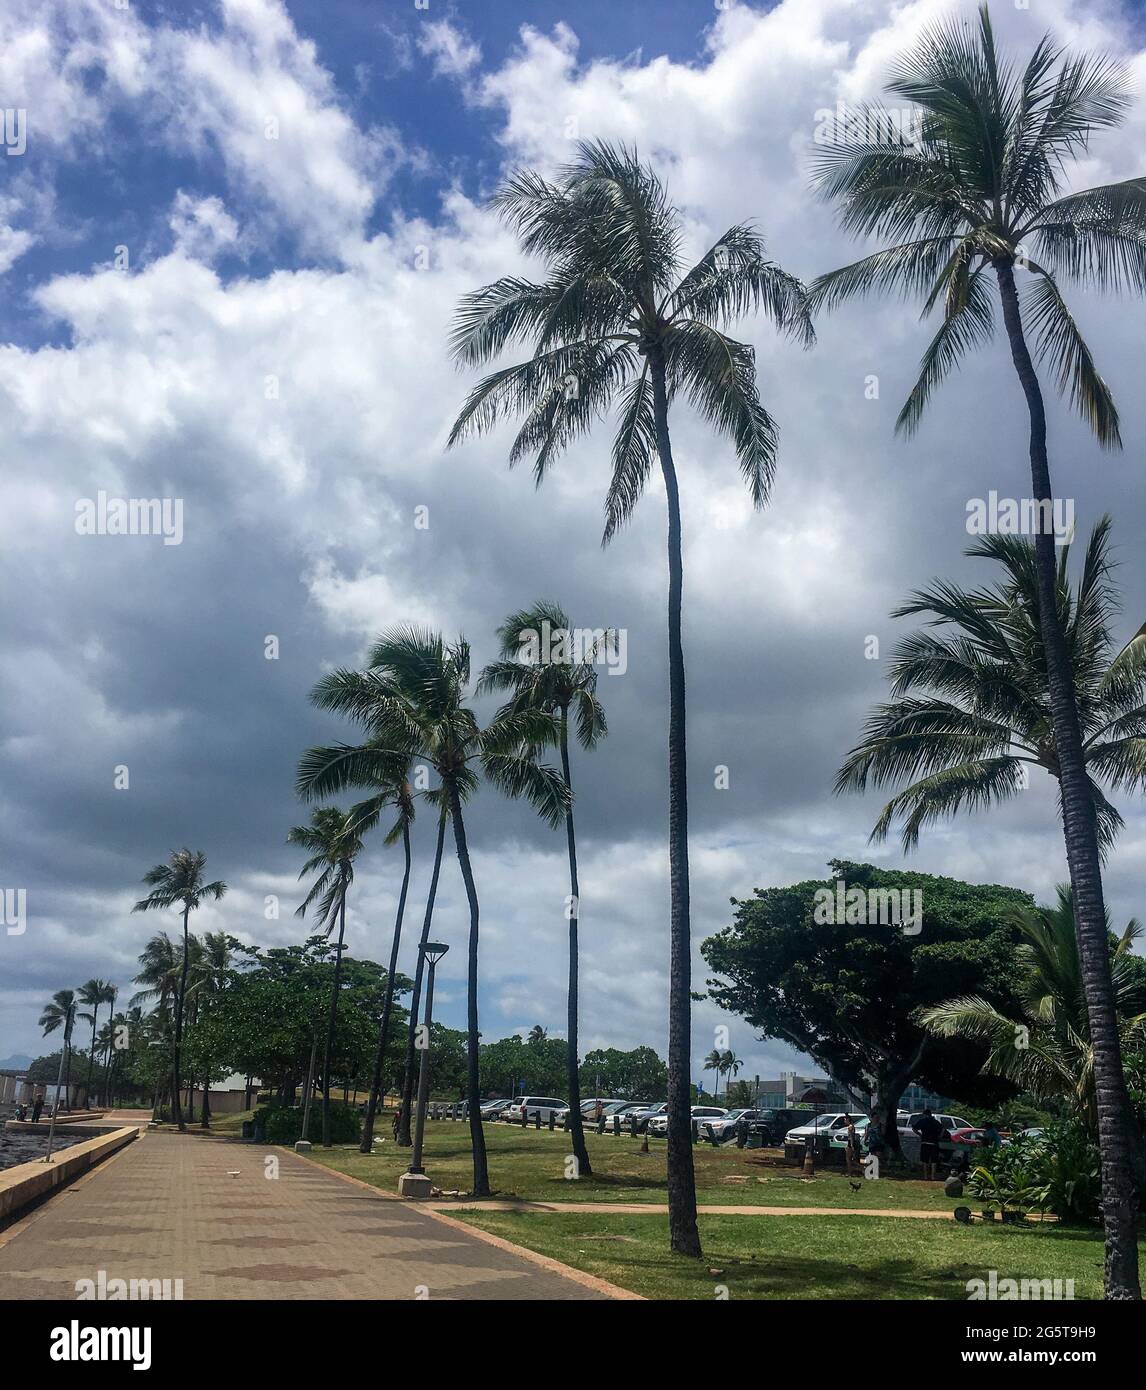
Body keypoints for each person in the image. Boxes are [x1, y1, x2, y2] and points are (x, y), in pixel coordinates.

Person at [911, 1107, 944, 1180]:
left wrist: (920, 1134)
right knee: (934, 1160)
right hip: (934, 1143)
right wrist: (939, 1137)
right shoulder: (936, 1122)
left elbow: (914, 1128)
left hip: (925, 1142)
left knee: (925, 1160)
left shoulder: (922, 1121)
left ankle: (925, 1176)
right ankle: (933, 1176)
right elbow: (942, 1129)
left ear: (925, 1115)